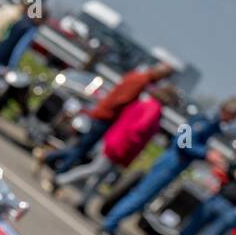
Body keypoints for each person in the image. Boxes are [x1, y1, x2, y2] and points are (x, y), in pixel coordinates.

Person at [100, 98, 236, 235]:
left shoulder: (211, 123)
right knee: (141, 195)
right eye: (233, 117)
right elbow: (182, 142)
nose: (232, 121)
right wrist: (206, 154)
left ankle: (111, 224)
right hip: (173, 160)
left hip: (176, 161)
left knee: (143, 196)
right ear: (227, 112)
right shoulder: (205, 121)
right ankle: (109, 225)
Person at [51, 83, 177, 213]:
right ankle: (60, 179)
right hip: (121, 146)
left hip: (115, 139)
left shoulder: (146, 102)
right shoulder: (154, 109)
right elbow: (140, 129)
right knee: (96, 169)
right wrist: (130, 148)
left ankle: (84, 201)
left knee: (100, 176)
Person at [43, 62, 173, 174]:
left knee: (82, 147)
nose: (161, 80)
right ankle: (54, 166)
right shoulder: (141, 82)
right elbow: (123, 100)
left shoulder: (137, 76)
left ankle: (53, 163)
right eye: (164, 76)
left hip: (103, 113)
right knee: (81, 149)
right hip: (106, 117)